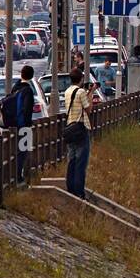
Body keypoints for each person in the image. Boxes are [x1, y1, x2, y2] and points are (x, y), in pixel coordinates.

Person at [0, 64, 36, 184]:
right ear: (31, 76)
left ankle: (12, 176)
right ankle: (19, 176)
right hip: (24, 125)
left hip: (12, 125)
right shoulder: (28, 91)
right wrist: (27, 123)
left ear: (21, 74)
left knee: (14, 151)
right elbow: (27, 109)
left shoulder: (15, 87)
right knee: (23, 151)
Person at [63, 67, 93, 198]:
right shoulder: (81, 92)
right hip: (80, 128)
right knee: (81, 162)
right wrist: (91, 93)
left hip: (70, 129)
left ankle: (70, 188)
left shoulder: (67, 91)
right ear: (81, 79)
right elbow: (88, 109)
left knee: (72, 160)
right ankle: (79, 191)